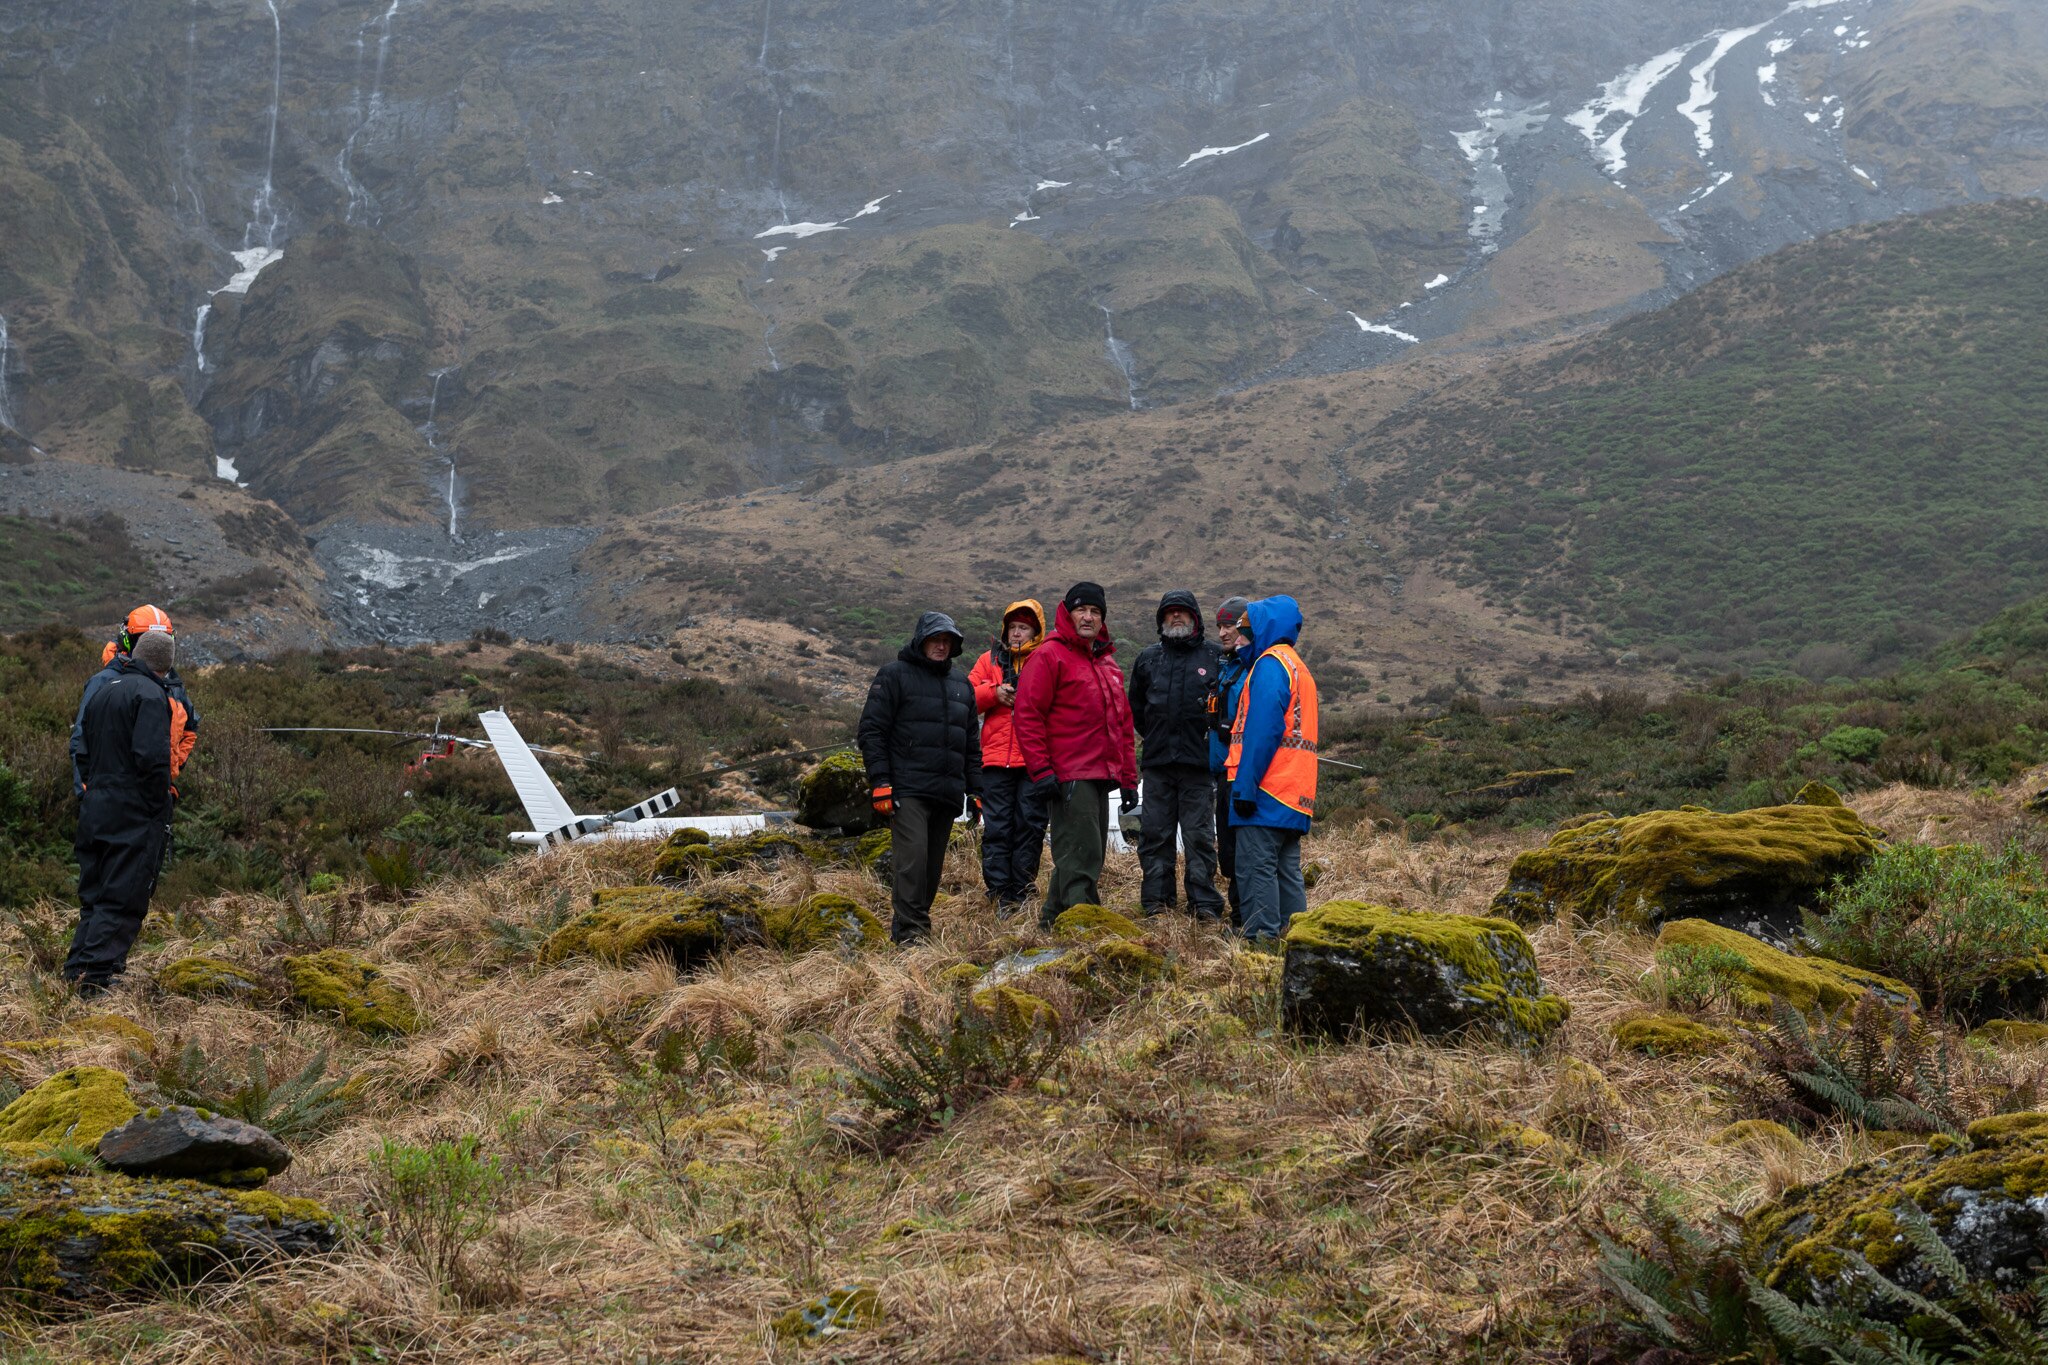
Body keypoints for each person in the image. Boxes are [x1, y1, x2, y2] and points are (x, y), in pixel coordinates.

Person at [67, 626, 190, 993]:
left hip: (96, 807)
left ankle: (78, 973)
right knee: (123, 896)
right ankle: (96, 982)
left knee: (96, 895)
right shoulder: (151, 695)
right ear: (165, 664)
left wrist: (93, 792)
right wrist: (158, 806)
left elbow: (82, 749)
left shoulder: (103, 689)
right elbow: (152, 759)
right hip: (132, 812)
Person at [1012, 582, 1138, 927]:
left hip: (1101, 775)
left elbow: (1123, 724)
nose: (1088, 617)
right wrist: (1041, 771)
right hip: (1068, 774)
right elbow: (1027, 714)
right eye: (1081, 610)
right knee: (1082, 855)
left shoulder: (1107, 663)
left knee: (1082, 851)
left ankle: (1052, 922)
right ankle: (1083, 930)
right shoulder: (1049, 656)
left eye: (1096, 611)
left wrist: (1128, 780)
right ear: (1067, 614)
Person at [857, 611, 983, 944]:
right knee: (912, 863)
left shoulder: (962, 685)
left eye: (947, 641)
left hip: (947, 792)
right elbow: (872, 730)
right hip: (907, 789)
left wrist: (977, 789)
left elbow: (971, 743)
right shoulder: (894, 675)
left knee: (930, 869)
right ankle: (912, 938)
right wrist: (881, 781)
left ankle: (913, 930)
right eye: (935, 639)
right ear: (921, 641)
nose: (941, 646)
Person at [1225, 595, 1319, 943]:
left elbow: (1263, 731)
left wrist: (1245, 787)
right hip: (1294, 794)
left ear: (1262, 631)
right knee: (1286, 871)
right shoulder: (1298, 667)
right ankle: (1297, 943)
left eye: (1243, 633)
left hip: (1265, 790)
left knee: (1256, 869)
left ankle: (1261, 944)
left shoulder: (1269, 665)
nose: (1237, 641)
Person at [1127, 590, 1226, 920]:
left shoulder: (1214, 657)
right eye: (1170, 613)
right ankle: (1157, 902)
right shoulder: (1147, 659)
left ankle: (1205, 905)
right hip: (1157, 765)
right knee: (1154, 836)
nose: (1176, 617)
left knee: (1199, 838)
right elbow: (1136, 710)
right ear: (1161, 619)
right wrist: (1155, 738)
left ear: (1195, 618)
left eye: (1183, 612)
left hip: (1199, 765)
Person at [968, 599, 1049, 917]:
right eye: (1013, 627)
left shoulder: (1045, 660)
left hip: (1033, 761)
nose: (1017, 633)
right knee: (998, 828)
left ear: (1036, 631)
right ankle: (999, 894)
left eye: (1024, 627)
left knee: (1029, 826)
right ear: (1005, 629)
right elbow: (966, 697)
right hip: (995, 760)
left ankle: (1023, 891)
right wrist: (994, 693)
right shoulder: (987, 660)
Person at [71, 605, 199, 797]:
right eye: (145, 641)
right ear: (128, 642)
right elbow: (81, 741)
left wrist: (170, 769)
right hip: (108, 801)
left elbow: (189, 728)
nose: (153, 648)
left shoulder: (172, 685)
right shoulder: (103, 681)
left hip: (151, 799)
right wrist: (88, 794)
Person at [1206, 595, 1254, 923]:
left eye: (1230, 626)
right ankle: (1242, 917)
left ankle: (1246, 921)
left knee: (1241, 852)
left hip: (1240, 774)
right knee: (1228, 852)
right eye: (1220, 626)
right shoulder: (1226, 668)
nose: (1223, 633)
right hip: (1222, 773)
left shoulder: (1253, 668)